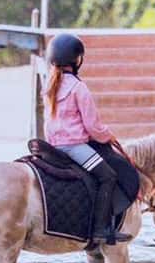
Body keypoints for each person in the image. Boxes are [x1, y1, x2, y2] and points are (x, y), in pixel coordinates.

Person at [43, 33, 131, 246]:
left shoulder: (48, 86)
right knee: (108, 176)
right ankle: (101, 229)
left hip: (52, 146)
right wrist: (108, 135)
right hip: (74, 147)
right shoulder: (78, 88)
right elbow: (93, 127)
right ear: (77, 60)